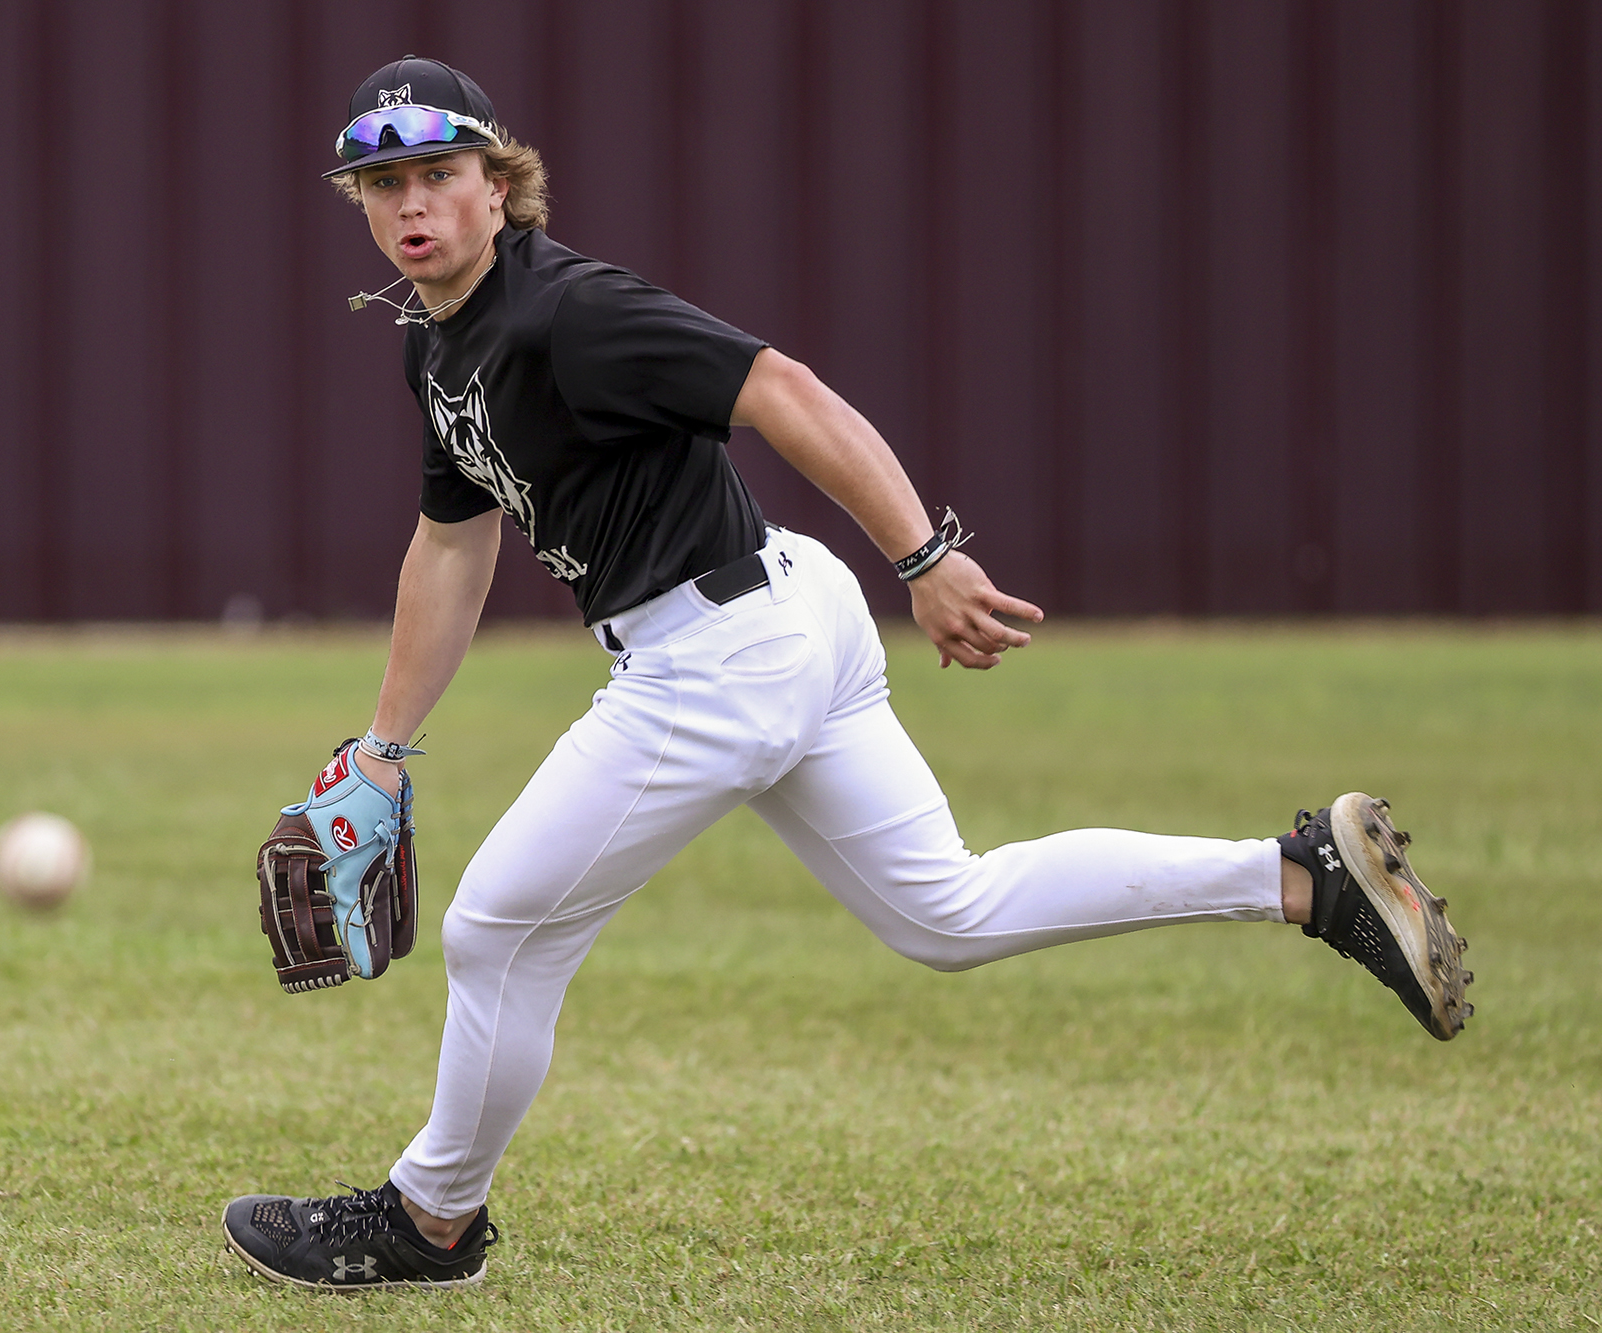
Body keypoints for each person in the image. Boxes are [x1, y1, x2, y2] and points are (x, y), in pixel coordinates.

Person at [221, 56, 1472, 1292]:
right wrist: (380, 747)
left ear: (498, 185)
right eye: (381, 184)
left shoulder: (567, 311)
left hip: (715, 658)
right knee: (945, 914)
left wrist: (922, 556)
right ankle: (1298, 878)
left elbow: (781, 389)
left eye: (439, 173)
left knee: (495, 930)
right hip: (776, 615)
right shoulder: (438, 348)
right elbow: (451, 545)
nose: (411, 204)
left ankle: (430, 1221)